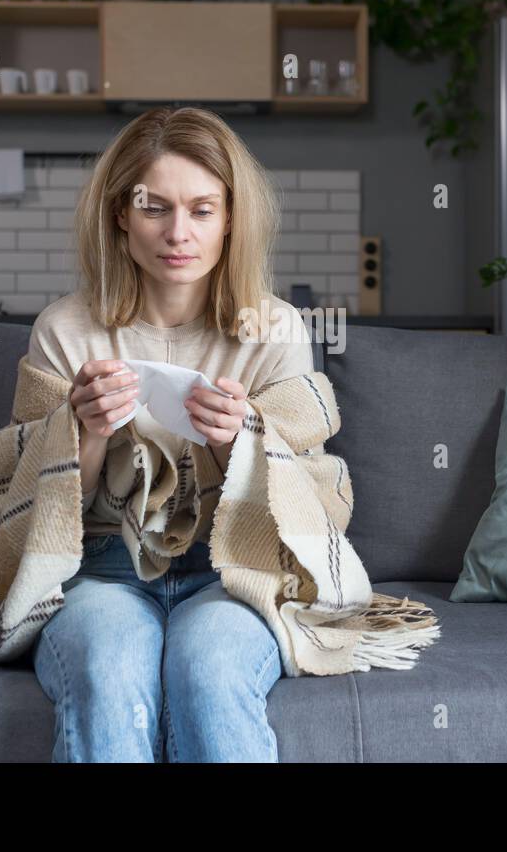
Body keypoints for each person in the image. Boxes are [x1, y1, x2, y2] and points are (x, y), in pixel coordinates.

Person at [25, 106, 316, 762]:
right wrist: (85, 431)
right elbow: (40, 516)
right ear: (120, 215)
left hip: (231, 570)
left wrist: (237, 443)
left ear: (231, 218)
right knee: (108, 671)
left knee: (210, 672)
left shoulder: (276, 331)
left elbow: (298, 515)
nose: (178, 233)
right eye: (154, 208)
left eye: (202, 210)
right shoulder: (64, 331)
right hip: (102, 570)